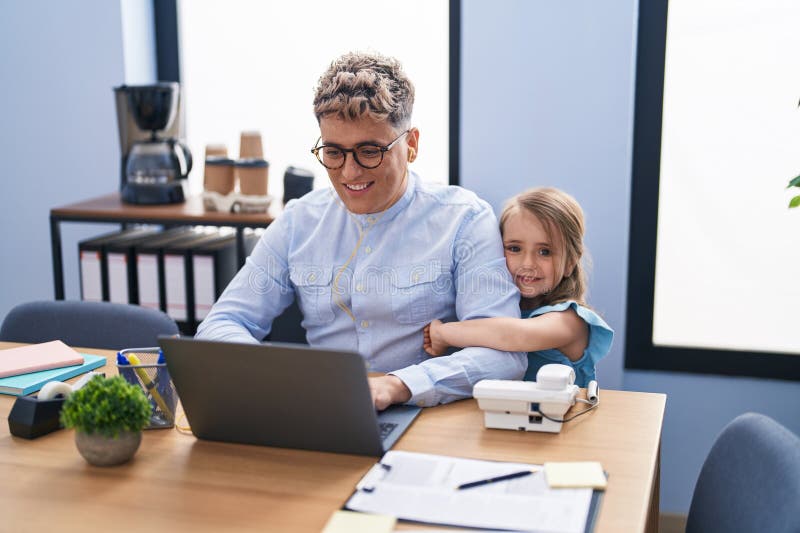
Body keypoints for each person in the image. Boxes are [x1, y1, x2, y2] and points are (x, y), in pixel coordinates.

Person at [196, 51, 526, 409]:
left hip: (423, 414)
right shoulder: (298, 222)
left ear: (411, 145)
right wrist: (270, 376)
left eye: (370, 151)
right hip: (322, 410)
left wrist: (401, 385)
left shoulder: (464, 220)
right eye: (334, 153)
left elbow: (504, 357)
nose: (350, 173)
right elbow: (223, 322)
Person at [423, 187, 613, 387]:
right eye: (514, 248)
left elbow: (513, 336)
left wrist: (443, 334)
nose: (528, 263)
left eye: (545, 252)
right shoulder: (496, 307)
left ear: (570, 263)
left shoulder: (571, 321)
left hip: (561, 417)